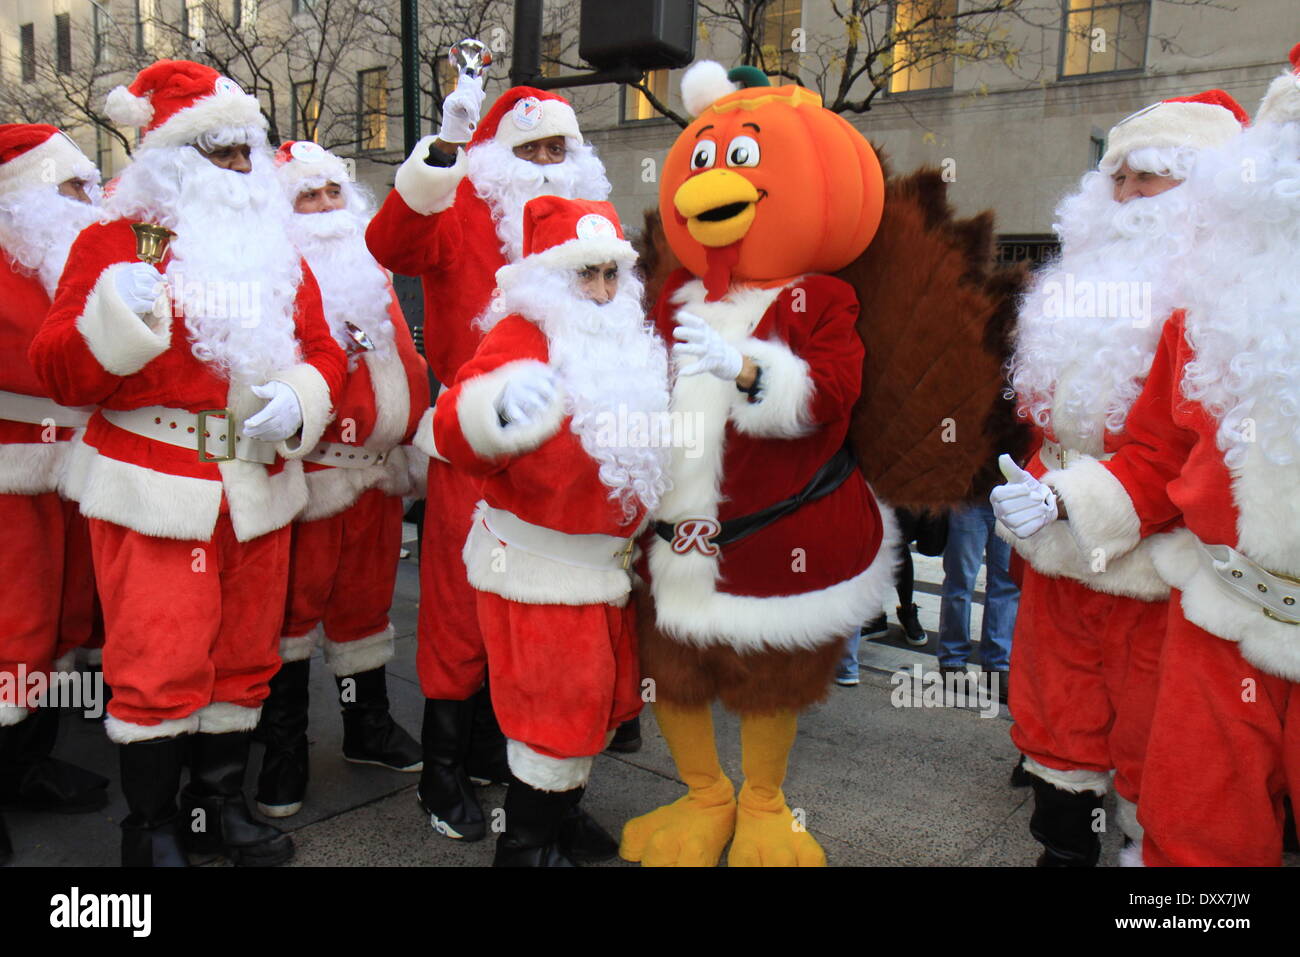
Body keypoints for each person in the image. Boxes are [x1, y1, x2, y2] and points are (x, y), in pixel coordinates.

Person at [29, 59, 346, 866]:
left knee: (243, 658)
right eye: (223, 153)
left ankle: (216, 809)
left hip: (258, 484)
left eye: (248, 152)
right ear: (173, 158)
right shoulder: (113, 239)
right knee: (160, 660)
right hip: (158, 485)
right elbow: (59, 368)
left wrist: (305, 396)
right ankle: (154, 829)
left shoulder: (277, 247)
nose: (244, 170)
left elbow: (321, 347)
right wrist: (116, 315)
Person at [991, 90, 1249, 865]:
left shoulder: (1219, 304)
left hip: (1154, 572)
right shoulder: (1078, 288)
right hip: (1059, 560)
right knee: (1055, 713)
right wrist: (1031, 484)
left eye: (1151, 178)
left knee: (1153, 735)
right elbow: (1054, 427)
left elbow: (1178, 457)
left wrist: (1066, 496)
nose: (1128, 196)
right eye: (1121, 179)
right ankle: (1062, 845)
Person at [366, 72, 612, 841]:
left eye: (557, 146)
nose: (546, 159)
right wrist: (442, 151)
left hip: (572, 457)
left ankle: (532, 778)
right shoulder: (462, 204)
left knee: (555, 617)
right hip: (474, 438)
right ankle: (441, 771)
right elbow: (392, 243)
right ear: (497, 154)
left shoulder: (592, 229)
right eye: (530, 146)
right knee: (456, 606)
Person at [432, 196, 668, 865]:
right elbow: (457, 427)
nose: (601, 290)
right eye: (584, 274)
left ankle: (558, 821)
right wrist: (497, 408)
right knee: (554, 714)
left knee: (593, 703)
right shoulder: (520, 334)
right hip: (538, 568)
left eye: (610, 274)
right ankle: (526, 844)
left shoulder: (629, 340)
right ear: (548, 278)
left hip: (605, 568)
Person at [251, 141, 431, 818]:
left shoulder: (371, 269)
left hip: (377, 477)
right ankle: (286, 745)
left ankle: (365, 725)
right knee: (292, 616)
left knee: (364, 609)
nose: (327, 208)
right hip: (315, 475)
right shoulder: (276, 280)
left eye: (333, 193)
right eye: (309, 196)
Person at [0, 123, 108, 864]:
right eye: (72, 186)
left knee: (58, 622)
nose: (89, 199)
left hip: (68, 467)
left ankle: (24, 762)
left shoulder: (63, 266)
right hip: (9, 471)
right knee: (10, 627)